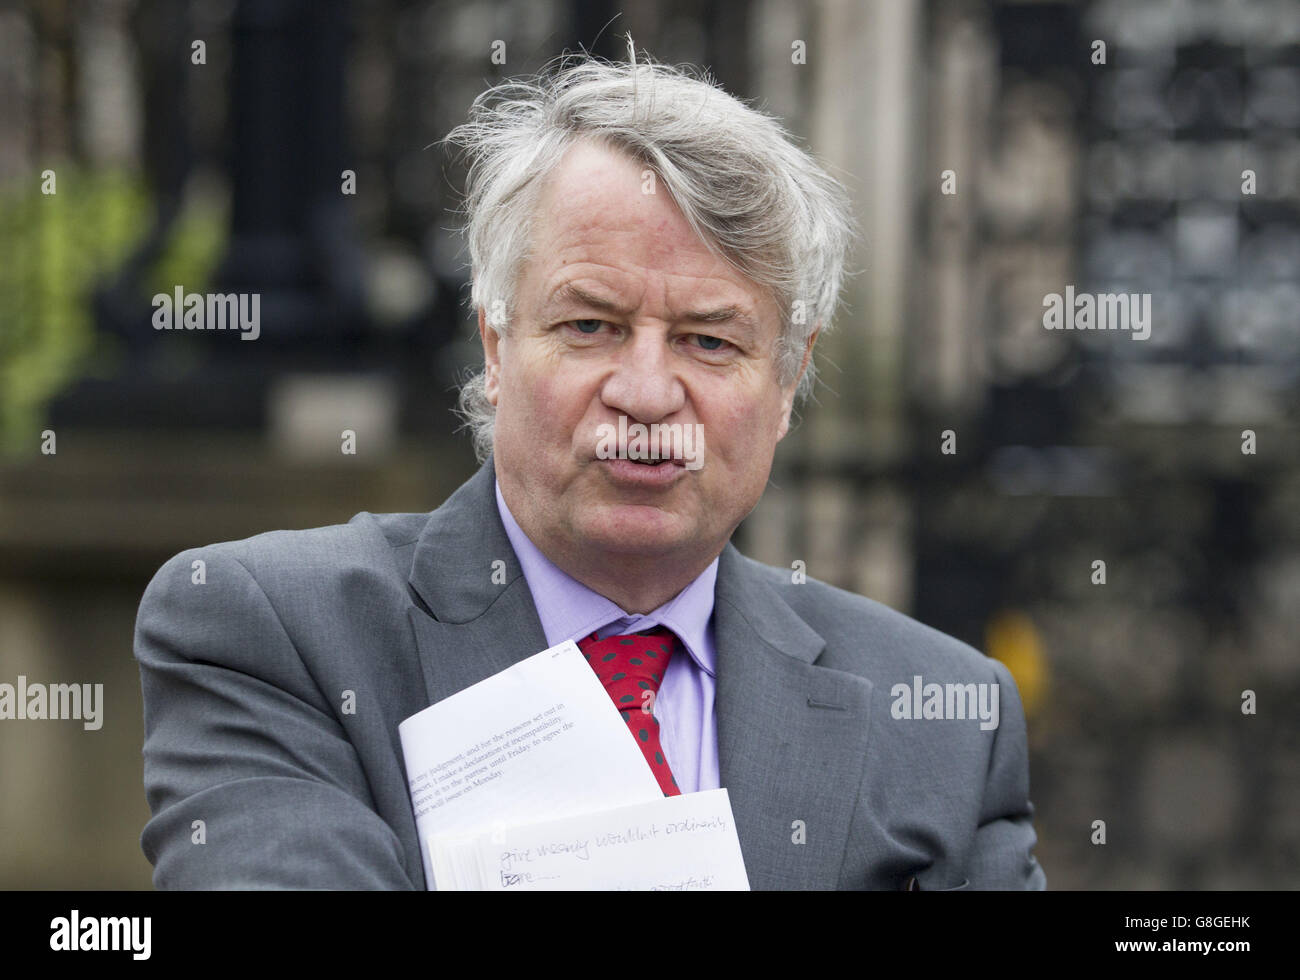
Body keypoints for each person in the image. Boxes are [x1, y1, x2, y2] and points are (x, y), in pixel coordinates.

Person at [135, 54, 1046, 890]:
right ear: (494, 348)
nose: (647, 394)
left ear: (786, 383)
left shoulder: (941, 717)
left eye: (709, 340)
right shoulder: (272, 635)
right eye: (590, 325)